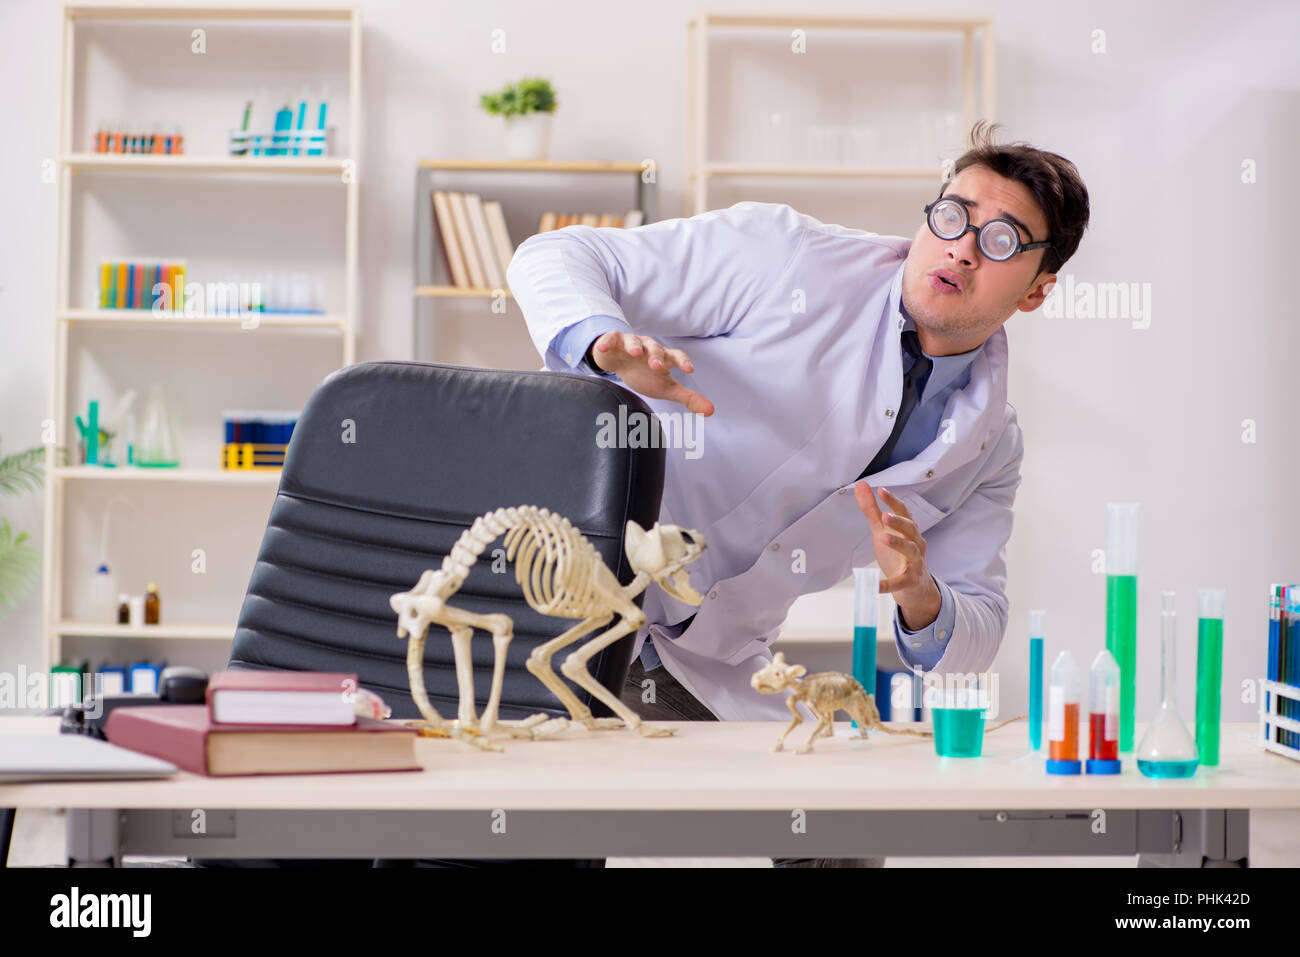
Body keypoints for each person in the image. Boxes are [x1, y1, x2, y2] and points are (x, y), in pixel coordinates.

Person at [507, 121, 1090, 867]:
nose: (963, 248)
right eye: (953, 215)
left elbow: (973, 637)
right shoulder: (786, 257)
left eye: (1003, 239)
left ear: (1038, 290)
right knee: (539, 833)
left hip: (707, 661)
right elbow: (556, 253)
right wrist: (600, 338)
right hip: (570, 606)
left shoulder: (989, 443)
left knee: (842, 838)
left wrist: (921, 593)